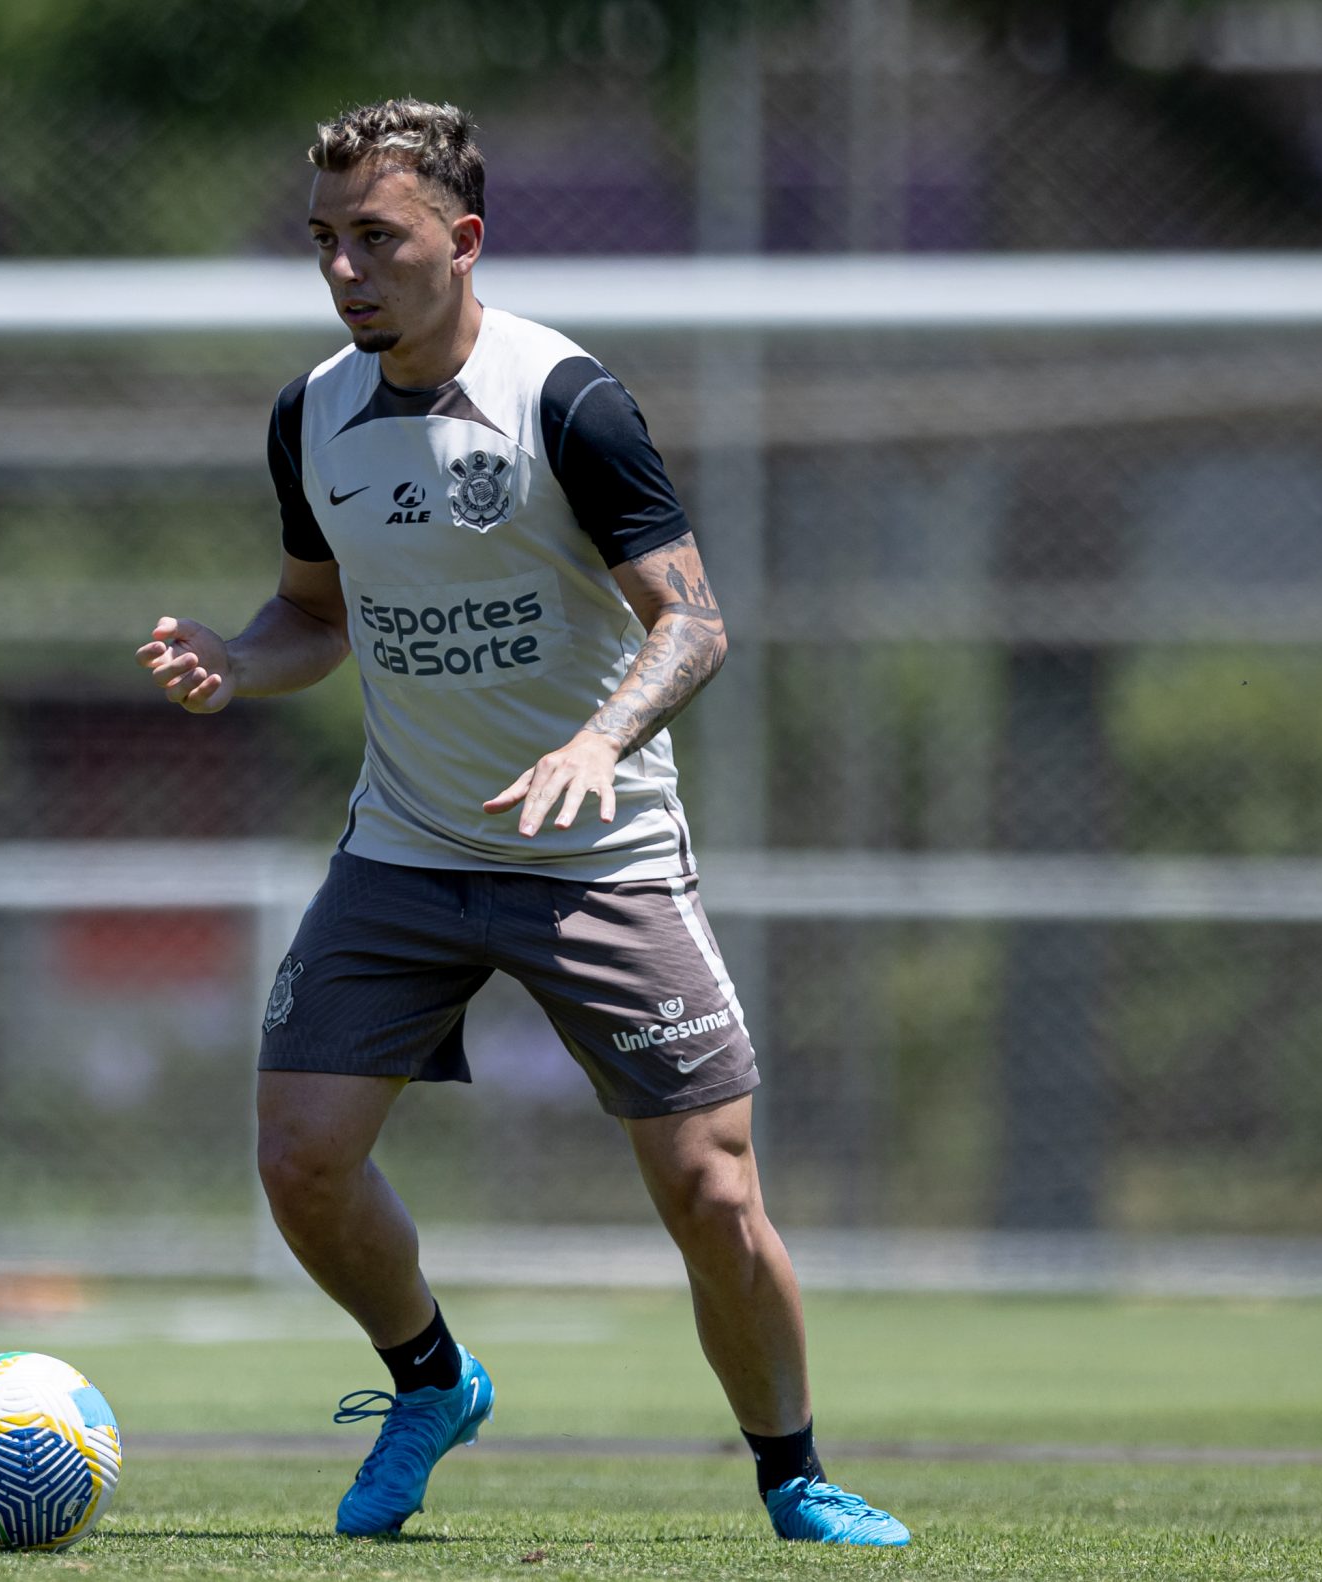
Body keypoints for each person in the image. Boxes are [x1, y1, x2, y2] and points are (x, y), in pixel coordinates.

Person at [135, 98, 909, 1549]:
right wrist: (240, 663)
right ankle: (432, 1381)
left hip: (596, 852)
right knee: (300, 1153)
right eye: (324, 242)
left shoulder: (569, 401)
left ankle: (795, 1472)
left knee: (709, 1185)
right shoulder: (312, 414)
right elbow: (312, 616)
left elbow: (694, 623)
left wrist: (599, 739)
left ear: (463, 240)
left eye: (377, 237)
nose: (346, 270)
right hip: (410, 844)